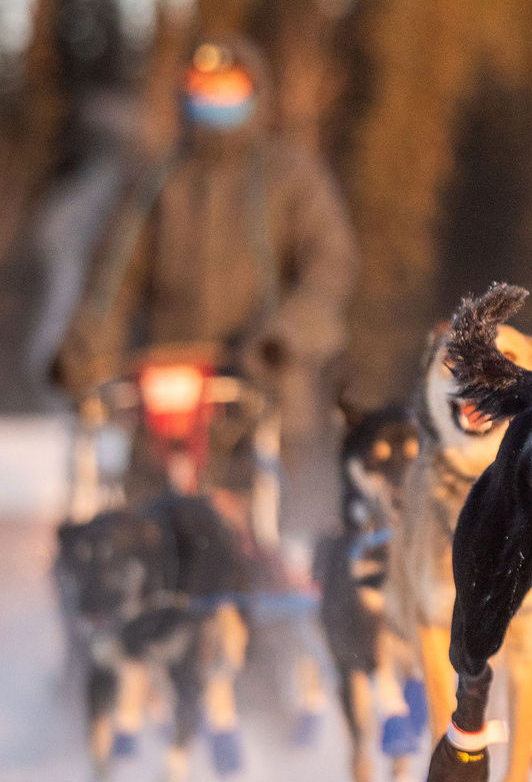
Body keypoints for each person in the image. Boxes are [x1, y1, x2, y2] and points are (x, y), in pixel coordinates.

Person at [53, 37, 356, 549]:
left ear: (254, 93)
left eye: (227, 90)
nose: (213, 102)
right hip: (168, 395)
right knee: (143, 529)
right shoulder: (155, 180)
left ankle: (279, 601)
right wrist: (84, 348)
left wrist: (286, 335)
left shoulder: (291, 176)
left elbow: (331, 268)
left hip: (267, 386)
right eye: (201, 90)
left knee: (278, 532)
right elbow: (112, 284)